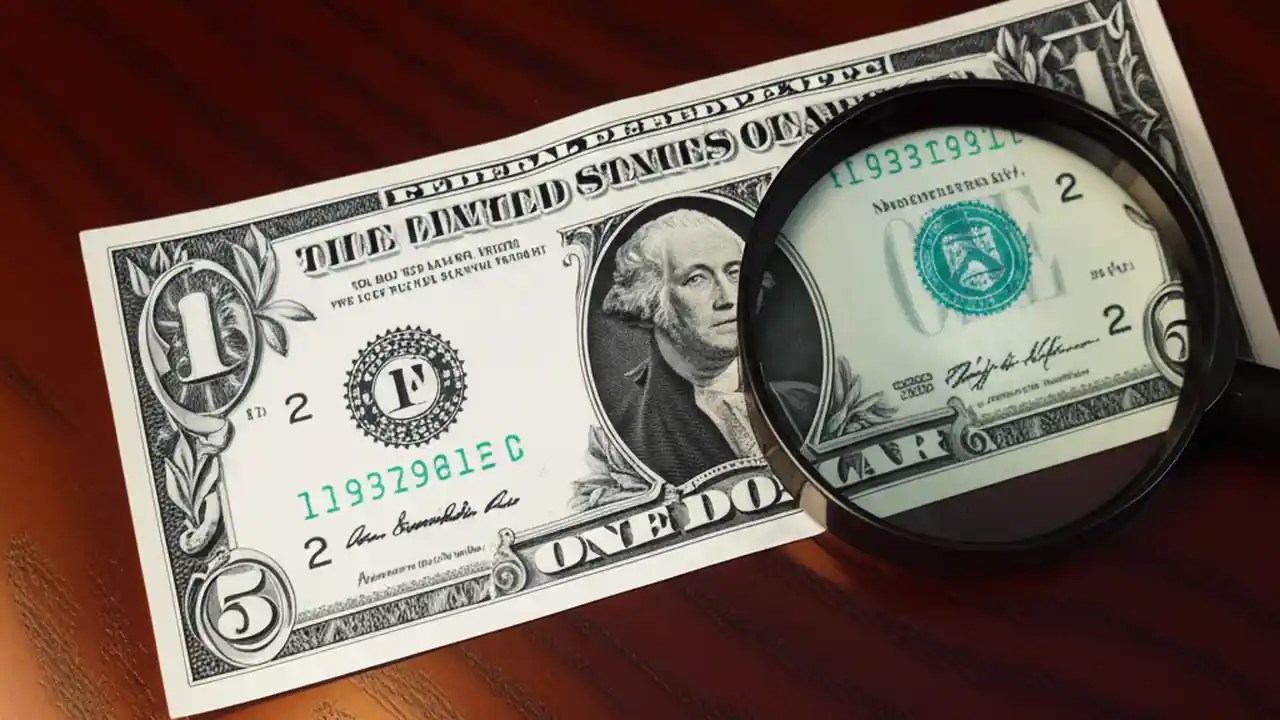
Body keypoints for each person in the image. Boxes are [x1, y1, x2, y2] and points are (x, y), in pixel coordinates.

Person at [600, 208, 761, 484]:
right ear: (648, 299)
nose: (729, 298)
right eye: (696, 279)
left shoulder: (805, 394)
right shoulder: (631, 440)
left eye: (734, 272)